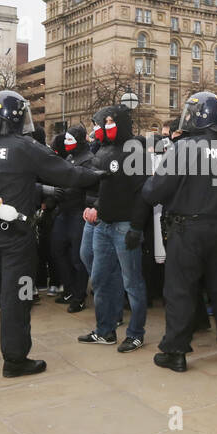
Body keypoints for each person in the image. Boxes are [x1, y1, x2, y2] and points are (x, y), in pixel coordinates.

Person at [0, 91, 102, 377]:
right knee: (17, 296)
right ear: (14, 115)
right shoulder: (24, 147)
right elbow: (66, 174)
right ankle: (14, 359)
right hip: (16, 237)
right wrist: (101, 174)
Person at [144, 91, 217, 372]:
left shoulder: (184, 148)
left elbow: (154, 191)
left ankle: (176, 351)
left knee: (180, 289)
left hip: (187, 228)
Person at [79, 104, 151, 351]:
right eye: (101, 122)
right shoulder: (103, 150)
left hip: (124, 226)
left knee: (132, 283)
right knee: (99, 278)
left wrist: (137, 227)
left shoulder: (135, 152)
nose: (101, 127)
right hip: (103, 225)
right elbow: (108, 187)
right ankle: (105, 330)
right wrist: (98, 206)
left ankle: (135, 333)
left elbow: (143, 193)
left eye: (108, 121)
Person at [49, 126, 91, 314]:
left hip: (78, 212)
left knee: (77, 257)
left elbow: (88, 186)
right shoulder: (69, 158)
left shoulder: (89, 160)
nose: (66, 143)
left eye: (70, 139)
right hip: (64, 211)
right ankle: (69, 288)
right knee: (58, 250)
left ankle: (79, 295)